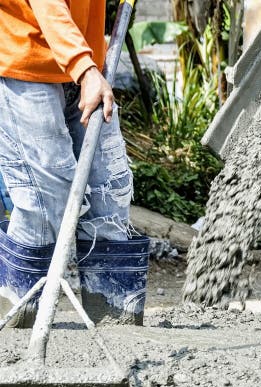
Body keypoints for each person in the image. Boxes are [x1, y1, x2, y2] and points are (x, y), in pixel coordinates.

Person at [0, 1, 149, 327]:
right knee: (45, 197)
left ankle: (118, 325)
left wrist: (85, 65)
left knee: (108, 191)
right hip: (24, 59)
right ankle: (17, 321)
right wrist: (84, 67)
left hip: (84, 61)